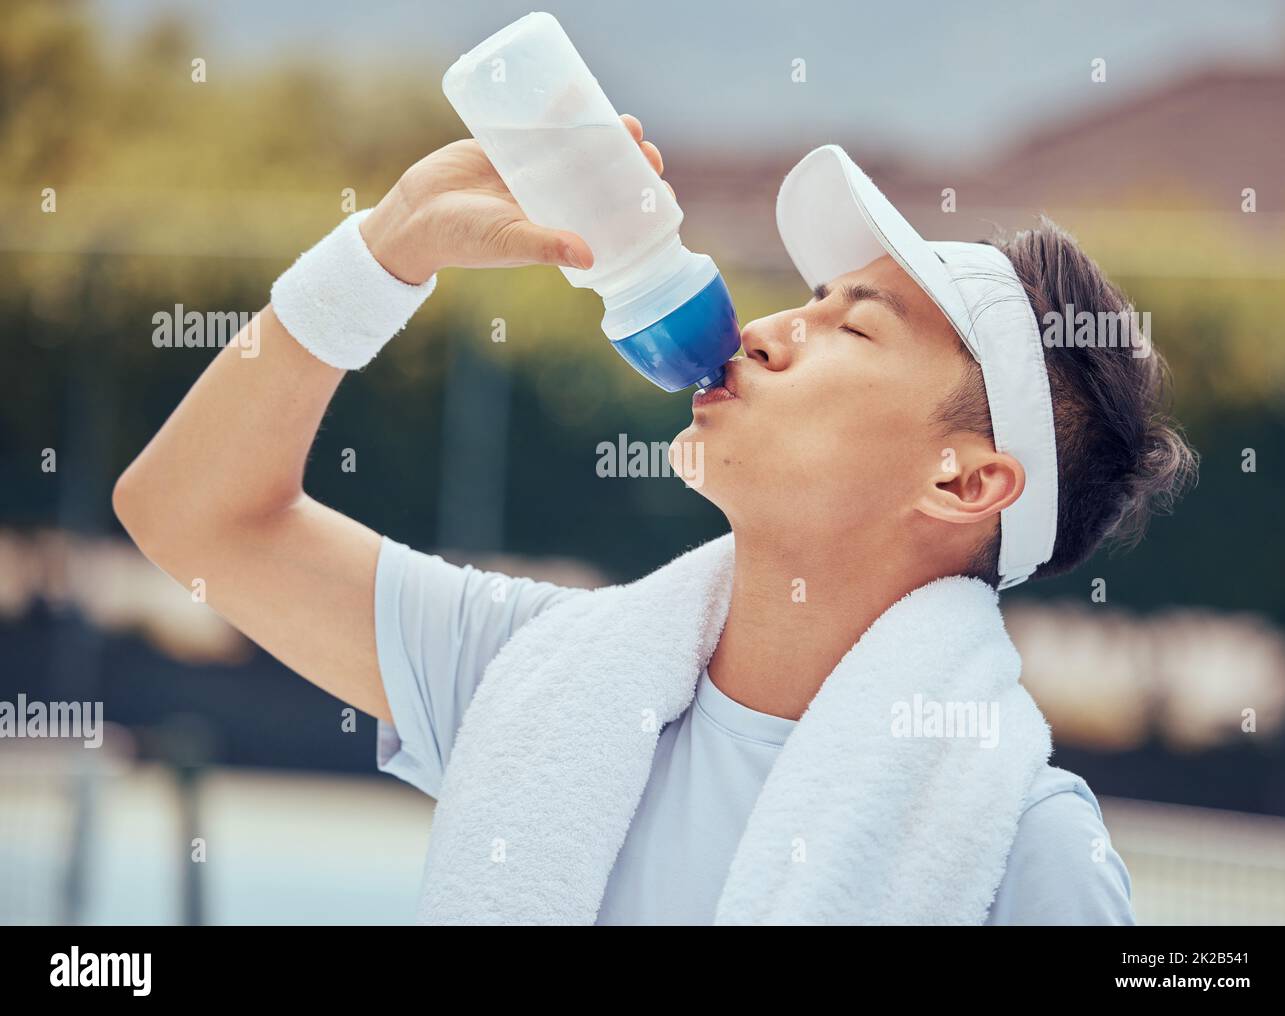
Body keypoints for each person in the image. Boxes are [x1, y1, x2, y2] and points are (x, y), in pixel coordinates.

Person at [113, 114, 1195, 925]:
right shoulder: (534, 675)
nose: (766, 330)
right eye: (808, 299)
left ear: (965, 484)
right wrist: (387, 247)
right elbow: (191, 514)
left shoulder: (1027, 847)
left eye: (851, 328)